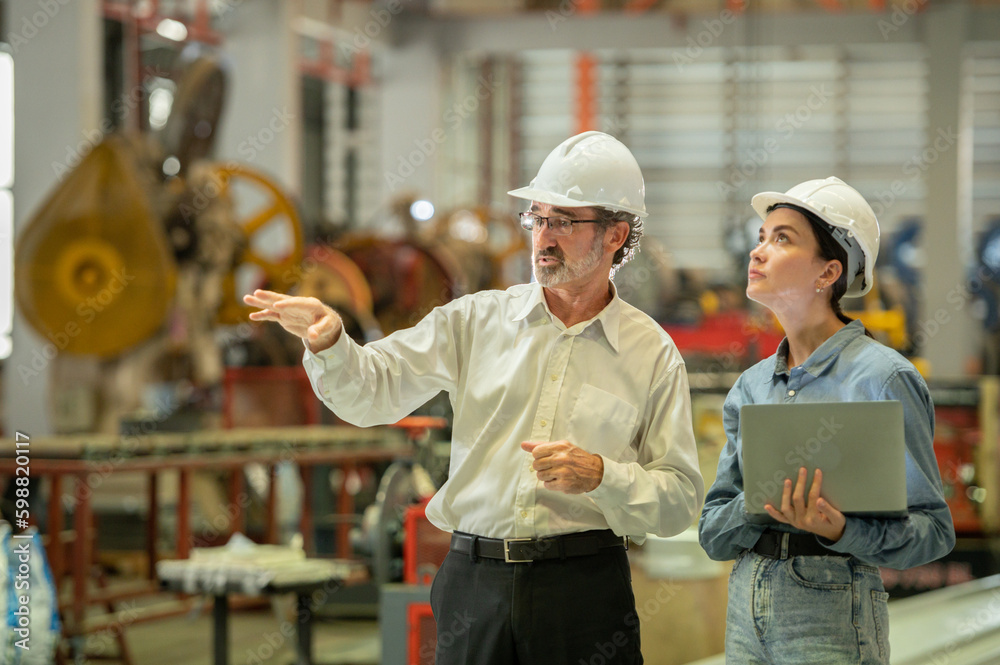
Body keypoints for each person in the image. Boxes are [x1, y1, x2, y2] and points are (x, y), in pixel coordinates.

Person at [244, 131, 704, 665]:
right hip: (474, 586)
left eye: (564, 221)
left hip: (584, 593)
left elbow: (679, 501)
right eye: (538, 217)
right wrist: (329, 341)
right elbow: (373, 392)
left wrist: (604, 475)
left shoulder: (651, 355)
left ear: (615, 234)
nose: (543, 237)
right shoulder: (475, 322)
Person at [698, 177, 955, 664]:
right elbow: (713, 533)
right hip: (746, 599)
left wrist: (840, 531)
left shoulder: (883, 379)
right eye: (760, 238)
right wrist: (760, 504)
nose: (758, 253)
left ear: (828, 272)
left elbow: (934, 531)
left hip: (833, 605)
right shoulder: (751, 387)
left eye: (782, 239)